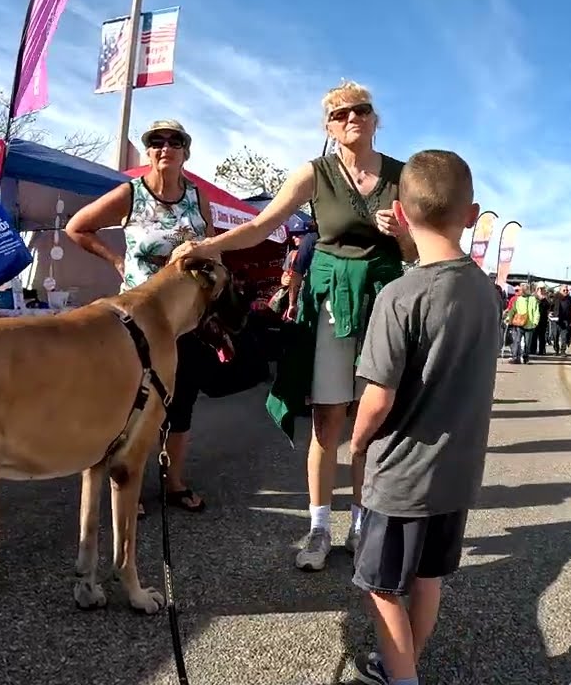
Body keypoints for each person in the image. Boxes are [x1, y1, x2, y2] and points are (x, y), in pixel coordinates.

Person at [174, 82, 417, 571]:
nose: (352, 117)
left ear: (375, 120)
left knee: (373, 422)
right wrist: (207, 247)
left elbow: (415, 253)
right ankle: (319, 527)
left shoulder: (403, 176)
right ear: (329, 126)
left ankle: (362, 526)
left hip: (382, 301)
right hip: (329, 303)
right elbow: (262, 226)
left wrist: (404, 236)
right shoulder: (314, 172)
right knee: (328, 420)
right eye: (340, 113)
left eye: (361, 110)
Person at [346, 150, 499, 685]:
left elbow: (378, 399)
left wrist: (356, 444)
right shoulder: (488, 294)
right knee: (428, 577)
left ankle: (403, 676)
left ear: (399, 213)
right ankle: (401, 665)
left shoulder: (399, 296)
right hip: (457, 473)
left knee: (381, 586)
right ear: (472, 214)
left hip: (402, 476)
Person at [66, 119, 215, 515]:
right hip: (138, 323)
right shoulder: (131, 193)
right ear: (148, 151)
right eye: (156, 141)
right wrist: (117, 260)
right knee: (131, 404)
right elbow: (77, 228)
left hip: (185, 320)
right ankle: (125, 485)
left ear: (185, 151)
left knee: (180, 404)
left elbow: (212, 249)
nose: (165, 147)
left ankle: (174, 482)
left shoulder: (197, 198)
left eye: (174, 141)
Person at [505, 284, 540, 365]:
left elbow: (536, 311)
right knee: (516, 341)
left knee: (527, 343)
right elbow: (512, 310)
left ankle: (525, 357)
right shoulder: (518, 299)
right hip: (519, 324)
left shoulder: (533, 299)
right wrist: (508, 318)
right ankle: (515, 357)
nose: (520, 291)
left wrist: (535, 321)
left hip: (530, 325)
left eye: (521, 290)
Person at [552, 285, 571, 355]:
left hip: (565, 320)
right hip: (556, 320)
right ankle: (556, 350)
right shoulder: (556, 297)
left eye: (567, 290)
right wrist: (550, 313)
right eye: (564, 290)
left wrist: (570, 321)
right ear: (560, 290)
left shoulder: (569, 298)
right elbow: (551, 306)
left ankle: (563, 351)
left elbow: (570, 310)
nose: (565, 291)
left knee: (564, 337)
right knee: (555, 336)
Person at [532, 284, 551, 355]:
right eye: (539, 288)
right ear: (537, 289)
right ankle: (533, 350)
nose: (540, 290)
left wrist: (545, 298)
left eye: (542, 289)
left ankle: (542, 350)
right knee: (534, 335)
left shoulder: (546, 298)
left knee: (542, 336)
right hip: (534, 319)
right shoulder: (533, 297)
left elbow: (549, 307)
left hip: (543, 319)